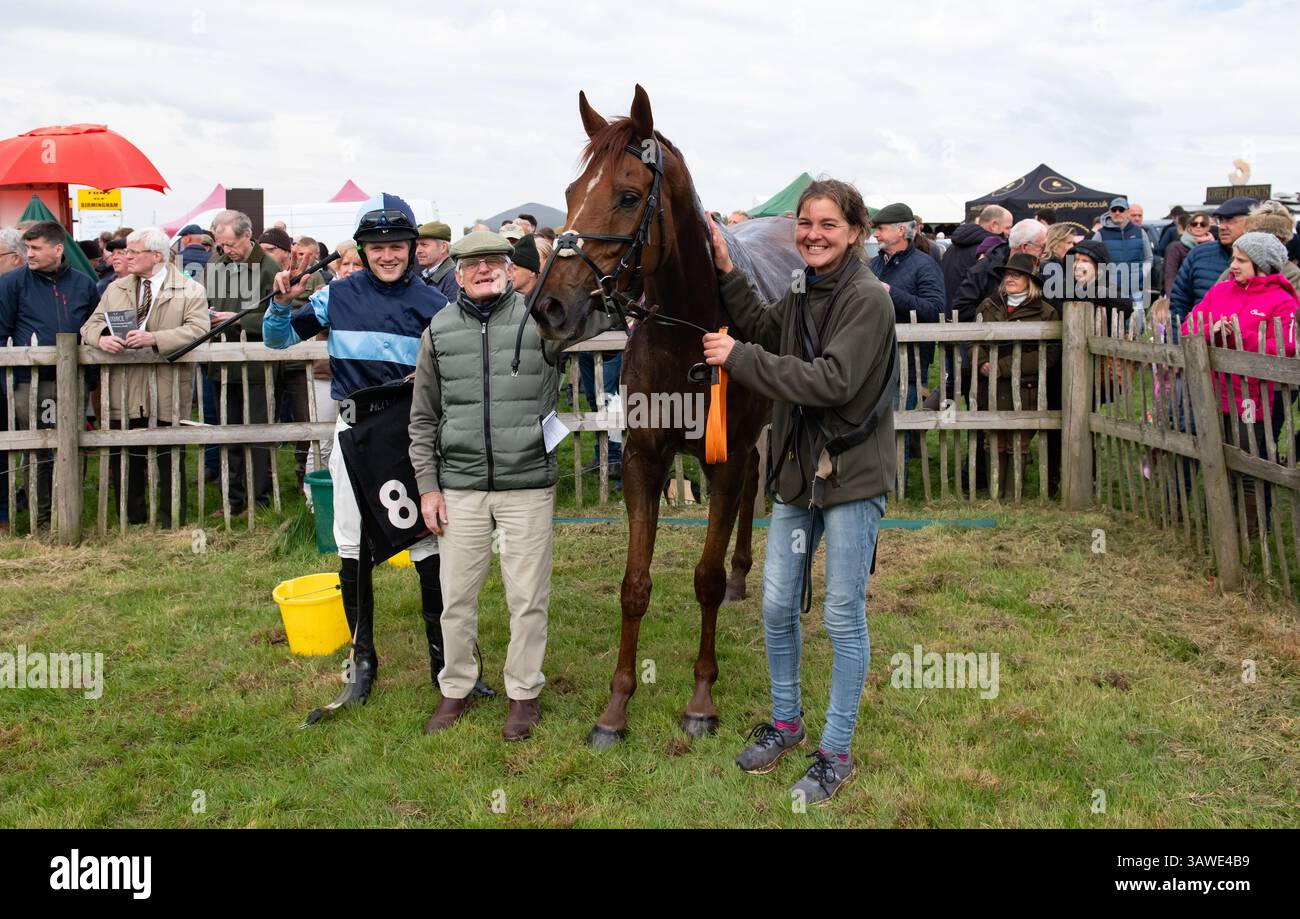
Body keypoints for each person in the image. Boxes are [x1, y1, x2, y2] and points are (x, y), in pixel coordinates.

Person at [703, 179, 895, 806]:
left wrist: (737, 359)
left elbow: (832, 380)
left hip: (850, 477)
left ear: (855, 232)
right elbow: (763, 326)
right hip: (794, 473)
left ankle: (834, 754)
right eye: (806, 222)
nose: (813, 234)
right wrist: (730, 270)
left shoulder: (867, 299)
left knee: (842, 614)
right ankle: (787, 725)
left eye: (828, 224)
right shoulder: (799, 288)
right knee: (778, 604)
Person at [265, 193, 491, 718]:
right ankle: (362, 662)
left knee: (429, 545)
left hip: (414, 436)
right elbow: (276, 340)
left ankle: (449, 663)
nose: (387, 255)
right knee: (353, 546)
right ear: (363, 250)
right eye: (376, 247)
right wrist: (280, 303)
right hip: (356, 433)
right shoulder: (335, 295)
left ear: (413, 248)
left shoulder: (438, 305)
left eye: (397, 246)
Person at [410, 231, 614, 740]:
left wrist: (587, 260)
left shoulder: (540, 320)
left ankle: (523, 693)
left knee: (527, 597)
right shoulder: (437, 330)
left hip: (527, 486)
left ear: (509, 268)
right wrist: (428, 487)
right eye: (472, 264)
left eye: (493, 261)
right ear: (457, 274)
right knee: (456, 597)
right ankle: (455, 687)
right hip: (459, 487)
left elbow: (604, 311)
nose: (483, 270)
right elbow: (422, 420)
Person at [81, 227, 210, 525]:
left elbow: (199, 330)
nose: (125, 256)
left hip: (165, 385)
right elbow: (89, 326)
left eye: (132, 252)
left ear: (156, 255)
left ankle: (171, 519)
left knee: (169, 457)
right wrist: (101, 338)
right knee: (125, 455)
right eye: (126, 251)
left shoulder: (189, 290)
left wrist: (154, 338)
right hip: (123, 386)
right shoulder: (117, 288)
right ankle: (131, 518)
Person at [1181, 231, 1298, 538]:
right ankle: (1219, 528)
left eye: (1241, 260)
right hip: (1213, 393)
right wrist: (1212, 329)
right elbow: (1188, 327)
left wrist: (1237, 338)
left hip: (1253, 402)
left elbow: (1284, 349)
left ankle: (1251, 531)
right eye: (1234, 258)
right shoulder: (1220, 292)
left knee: (1248, 463)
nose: (1233, 265)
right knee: (1216, 459)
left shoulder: (1283, 301)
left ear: (1262, 265)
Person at [0, 221, 101, 530]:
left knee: (72, 445)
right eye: (27, 248)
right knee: (38, 449)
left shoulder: (84, 284)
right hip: (30, 382)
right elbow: (2, 332)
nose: (28, 254)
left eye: (36, 248)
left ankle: (68, 511)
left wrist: (92, 378)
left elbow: (92, 330)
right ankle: (41, 518)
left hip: (73, 381)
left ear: (57, 249)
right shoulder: (12, 284)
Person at [207, 209, 280, 515]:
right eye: (221, 245)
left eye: (231, 244)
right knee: (230, 434)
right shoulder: (217, 265)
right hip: (222, 366)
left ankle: (259, 499)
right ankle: (234, 499)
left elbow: (277, 313)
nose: (227, 251)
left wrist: (240, 320)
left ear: (248, 236)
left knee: (258, 435)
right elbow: (207, 302)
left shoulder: (269, 267)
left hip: (255, 365)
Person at [974, 253, 1060, 498]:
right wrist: (981, 363)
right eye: (1007, 275)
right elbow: (973, 341)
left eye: (1017, 275)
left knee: (1018, 442)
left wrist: (1003, 365)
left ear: (1030, 281)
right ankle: (994, 496)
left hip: (1024, 388)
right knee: (992, 440)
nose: (1009, 279)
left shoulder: (1046, 312)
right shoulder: (989, 306)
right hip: (990, 388)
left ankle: (1014, 497)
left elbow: (1049, 354)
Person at [868, 202, 944, 455]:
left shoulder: (925, 265)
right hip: (871, 363)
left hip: (906, 366)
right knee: (870, 432)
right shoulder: (872, 265)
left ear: (901, 230)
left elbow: (934, 310)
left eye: (880, 228)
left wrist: (890, 292)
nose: (875, 234)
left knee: (895, 432)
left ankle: (895, 491)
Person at [1170, 196, 1255, 328]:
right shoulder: (1199, 254)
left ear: (1252, 222)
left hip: (1245, 344)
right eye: (1220, 220)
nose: (1222, 227)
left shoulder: (1262, 262)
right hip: (1198, 339)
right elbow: (1179, 302)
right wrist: (1177, 342)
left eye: (1230, 220)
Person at [1093, 197, 1151, 323]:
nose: (1117, 212)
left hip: (1135, 289)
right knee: (1115, 329)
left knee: (1138, 328)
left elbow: (1148, 258)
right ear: (1109, 211)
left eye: (1121, 209)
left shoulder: (1140, 232)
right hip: (1112, 291)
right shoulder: (1101, 234)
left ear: (1127, 211)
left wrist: (1142, 274)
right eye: (1114, 210)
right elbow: (1091, 258)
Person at [416, 221, 458, 300]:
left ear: (443, 247)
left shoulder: (455, 277)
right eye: (416, 245)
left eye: (424, 245)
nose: (418, 250)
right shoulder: (425, 276)